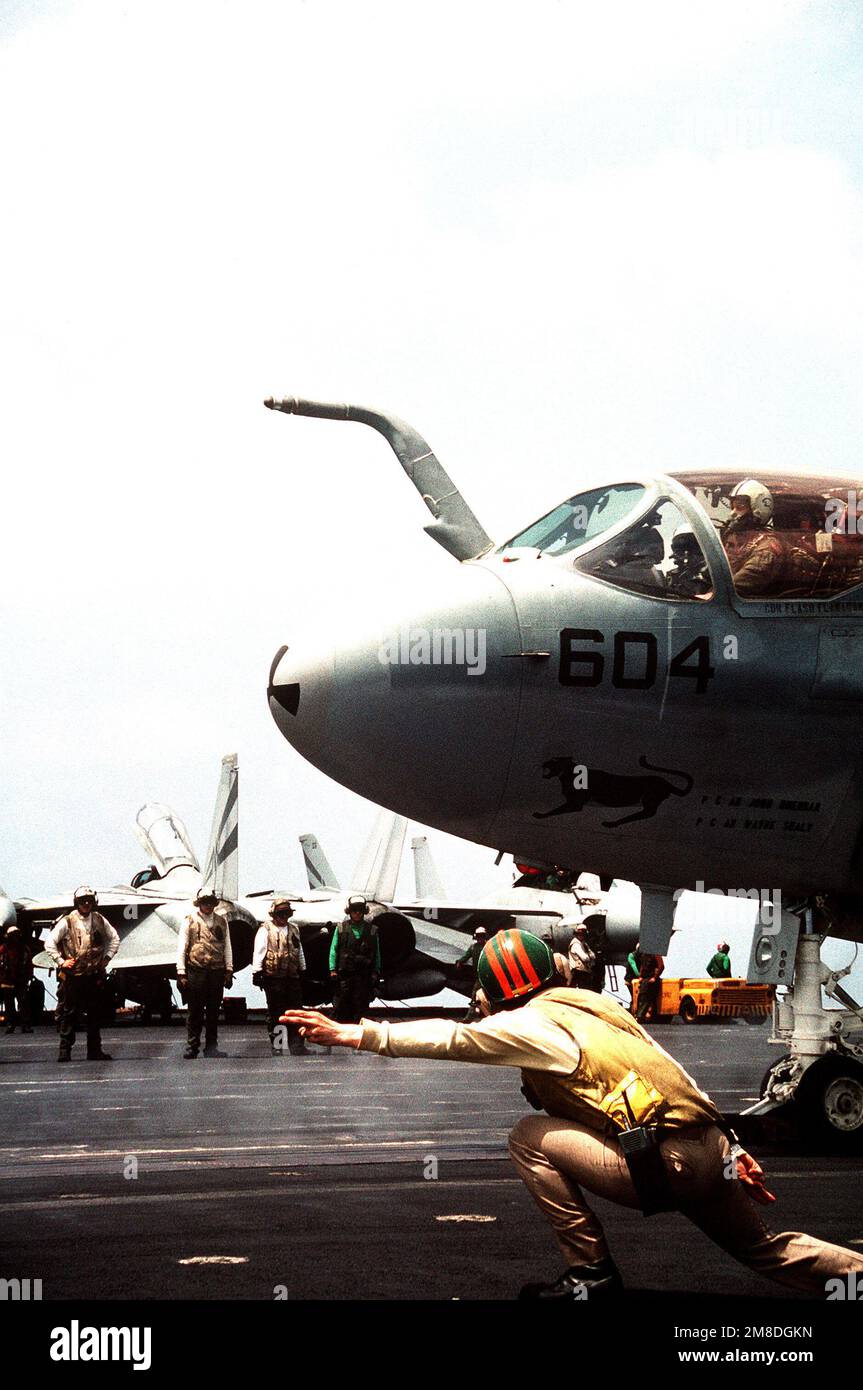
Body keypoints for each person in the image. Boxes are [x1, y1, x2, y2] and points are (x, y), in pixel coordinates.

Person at [282, 929, 863, 1301]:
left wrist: (354, 1032)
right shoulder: (600, 1007)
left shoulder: (529, 1024)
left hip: (666, 1163)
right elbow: (674, 1075)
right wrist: (734, 1153)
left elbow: (453, 1039)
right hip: (710, 1146)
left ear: (498, 988)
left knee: (529, 1138)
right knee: (769, 1250)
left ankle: (592, 1274)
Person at [47, 887, 119, 1062]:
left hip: (93, 975)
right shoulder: (67, 921)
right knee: (69, 1013)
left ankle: (94, 1051)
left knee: (95, 1014)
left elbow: (115, 938)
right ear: (76, 903)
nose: (86, 904)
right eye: (82, 901)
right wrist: (61, 962)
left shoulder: (99, 920)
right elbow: (50, 942)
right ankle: (64, 1051)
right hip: (74, 976)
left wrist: (107, 958)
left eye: (89, 901)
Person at [177, 889, 233, 1058]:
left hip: (216, 971)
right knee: (195, 1011)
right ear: (199, 903)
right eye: (204, 902)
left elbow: (227, 946)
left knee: (213, 1011)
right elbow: (182, 947)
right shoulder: (189, 921)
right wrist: (181, 973)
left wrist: (229, 969)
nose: (207, 905)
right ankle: (192, 1047)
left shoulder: (222, 922)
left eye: (210, 902)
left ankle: (211, 1047)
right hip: (196, 970)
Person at [252, 897, 307, 1055]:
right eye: (280, 914)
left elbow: (299, 950)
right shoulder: (265, 930)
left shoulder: (294, 929)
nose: (283, 917)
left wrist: (302, 968)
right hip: (273, 977)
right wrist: (257, 972)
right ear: (274, 914)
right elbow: (259, 952)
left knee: (296, 1012)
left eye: (286, 914)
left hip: (292, 977)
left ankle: (297, 1045)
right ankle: (278, 1046)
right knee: (276, 1013)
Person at [721, 479, 789, 597]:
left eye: (740, 507)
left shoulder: (768, 549)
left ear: (758, 509)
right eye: (732, 507)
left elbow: (731, 590)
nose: (732, 513)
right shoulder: (736, 541)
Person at [329, 895, 381, 1024]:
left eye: (360, 910)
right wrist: (332, 969)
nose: (357, 913)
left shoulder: (372, 931)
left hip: (363, 975)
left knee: (361, 1003)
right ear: (349, 911)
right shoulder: (341, 928)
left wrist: (376, 970)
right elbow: (334, 950)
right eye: (354, 910)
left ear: (364, 912)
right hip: (345, 974)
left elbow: (377, 953)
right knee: (341, 1002)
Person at [0, 926, 34, 1033]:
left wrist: (28, 977)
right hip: (7, 981)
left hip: (20, 981)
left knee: (23, 1003)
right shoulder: (3, 949)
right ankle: (11, 1025)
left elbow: (29, 965)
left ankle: (25, 1025)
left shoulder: (25, 950)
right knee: (10, 1005)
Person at [455, 926, 488, 1022]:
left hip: (487, 974)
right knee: (475, 995)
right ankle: (470, 1016)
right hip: (480, 975)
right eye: (479, 936)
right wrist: (459, 962)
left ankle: (470, 1017)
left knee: (476, 995)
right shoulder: (473, 947)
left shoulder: (487, 947)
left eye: (481, 936)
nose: (480, 938)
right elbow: (466, 956)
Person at [635, 951, 664, 1023]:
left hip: (650, 979)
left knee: (645, 998)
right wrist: (640, 976)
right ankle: (641, 1016)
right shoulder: (644, 954)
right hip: (645, 979)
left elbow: (661, 966)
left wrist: (655, 977)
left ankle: (640, 1016)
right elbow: (642, 966)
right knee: (642, 997)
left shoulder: (656, 954)